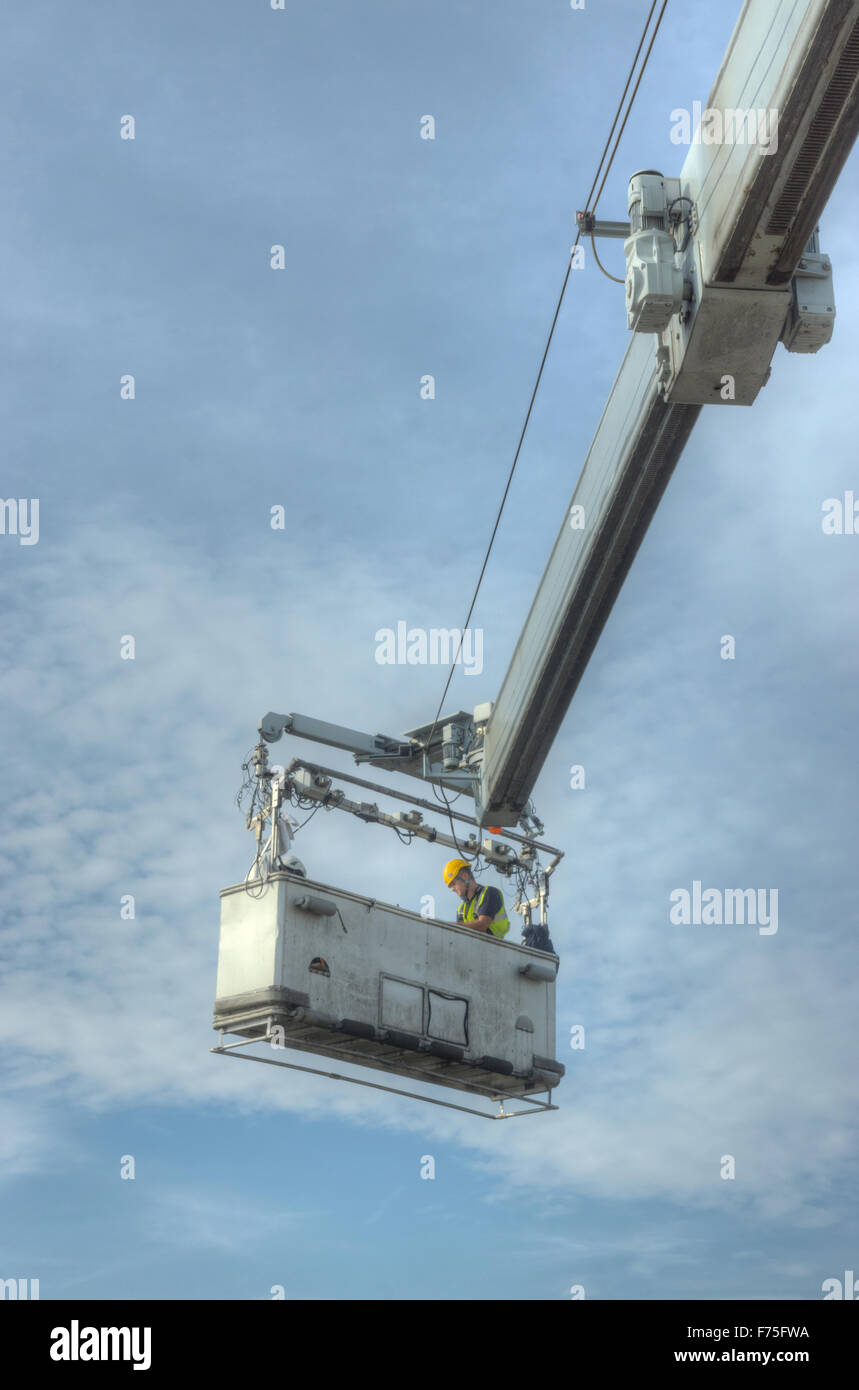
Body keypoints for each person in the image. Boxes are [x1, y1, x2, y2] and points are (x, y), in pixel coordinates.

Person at [442, 859, 510, 939]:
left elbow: (482, 925)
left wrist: (450, 926)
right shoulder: (461, 909)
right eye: (450, 886)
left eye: (453, 884)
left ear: (465, 876)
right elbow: (459, 934)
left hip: (495, 946)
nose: (452, 889)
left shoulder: (489, 893)